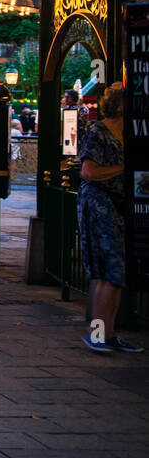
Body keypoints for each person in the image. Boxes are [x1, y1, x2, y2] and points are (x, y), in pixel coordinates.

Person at [78, 84, 140, 353]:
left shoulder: (128, 133)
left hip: (118, 205)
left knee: (118, 269)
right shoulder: (98, 131)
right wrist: (124, 168)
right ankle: (98, 333)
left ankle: (110, 333)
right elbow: (89, 172)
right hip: (99, 204)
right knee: (109, 268)